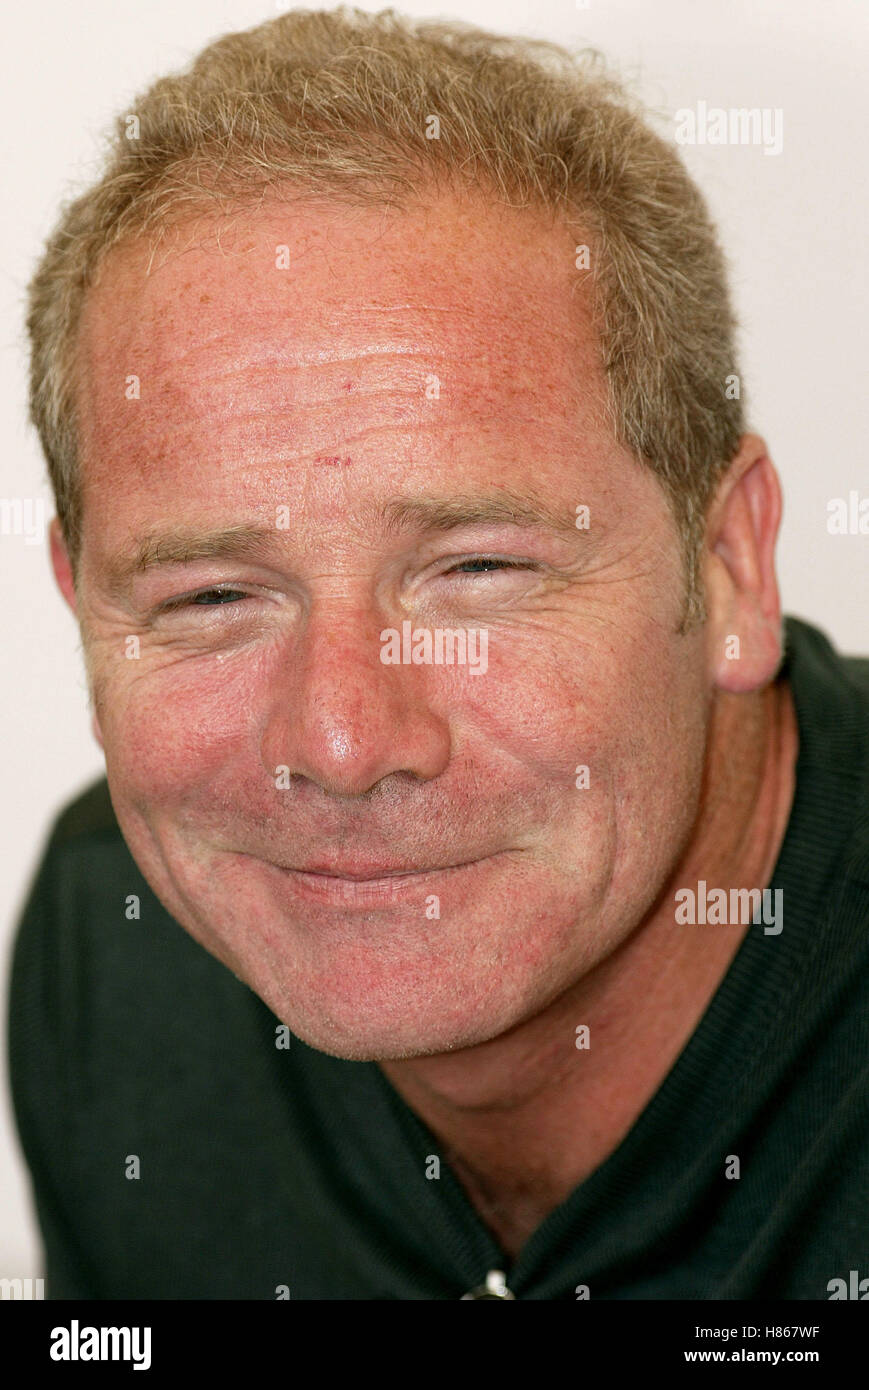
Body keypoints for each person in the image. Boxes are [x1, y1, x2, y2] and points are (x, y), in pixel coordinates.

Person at [9, 6, 868, 1300]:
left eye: (476, 570)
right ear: (83, 605)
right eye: (212, 596)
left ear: (729, 566)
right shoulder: (117, 957)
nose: (341, 743)